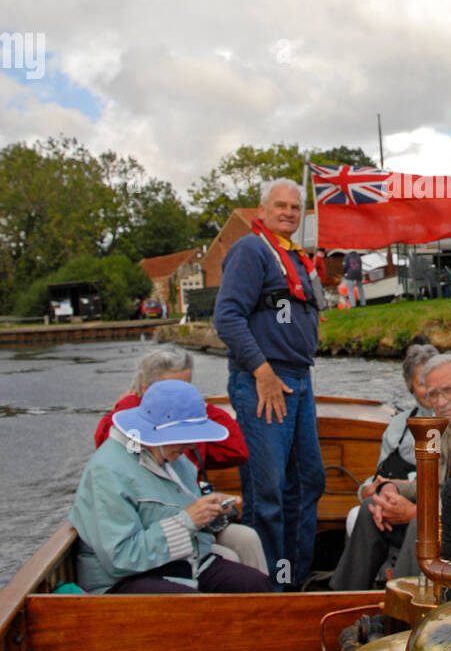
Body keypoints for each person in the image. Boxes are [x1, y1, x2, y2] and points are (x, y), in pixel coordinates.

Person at [213, 178, 325, 589]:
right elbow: (227, 318)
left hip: (299, 380)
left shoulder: (294, 256)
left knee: (308, 482)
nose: (289, 213)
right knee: (269, 494)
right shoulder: (251, 250)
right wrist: (263, 373)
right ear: (261, 211)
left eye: (295, 207)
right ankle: (269, 589)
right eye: (280, 205)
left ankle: (294, 578)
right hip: (264, 383)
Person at [70, 380, 272, 594]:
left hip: (182, 564)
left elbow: (190, 523)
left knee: (255, 585)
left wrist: (211, 512)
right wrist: (188, 520)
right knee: (191, 604)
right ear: (154, 433)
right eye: (183, 438)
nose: (190, 445)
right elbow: (121, 558)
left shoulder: (175, 458)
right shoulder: (107, 470)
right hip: (122, 581)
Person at [93, 344, 266, 573]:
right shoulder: (128, 422)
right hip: (155, 525)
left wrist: (195, 407)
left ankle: (269, 592)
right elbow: (114, 453)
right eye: (172, 388)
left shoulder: (190, 421)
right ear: (146, 390)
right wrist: (131, 405)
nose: (181, 394)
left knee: (248, 538)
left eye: (187, 387)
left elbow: (236, 450)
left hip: (194, 516)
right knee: (229, 557)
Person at [330, 351, 451, 590]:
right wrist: (390, 488)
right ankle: (344, 597)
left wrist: (415, 512)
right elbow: (426, 485)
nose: (440, 402)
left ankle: (402, 603)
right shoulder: (439, 430)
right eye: (433, 394)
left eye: (448, 390)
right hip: (437, 519)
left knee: (421, 526)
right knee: (370, 508)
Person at [343, 343, 437, 538]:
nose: (430, 390)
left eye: (434, 381)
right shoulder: (398, 425)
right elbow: (381, 473)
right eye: (422, 384)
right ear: (410, 385)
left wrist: (399, 486)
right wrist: (367, 490)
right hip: (390, 497)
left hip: (432, 503)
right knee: (356, 515)